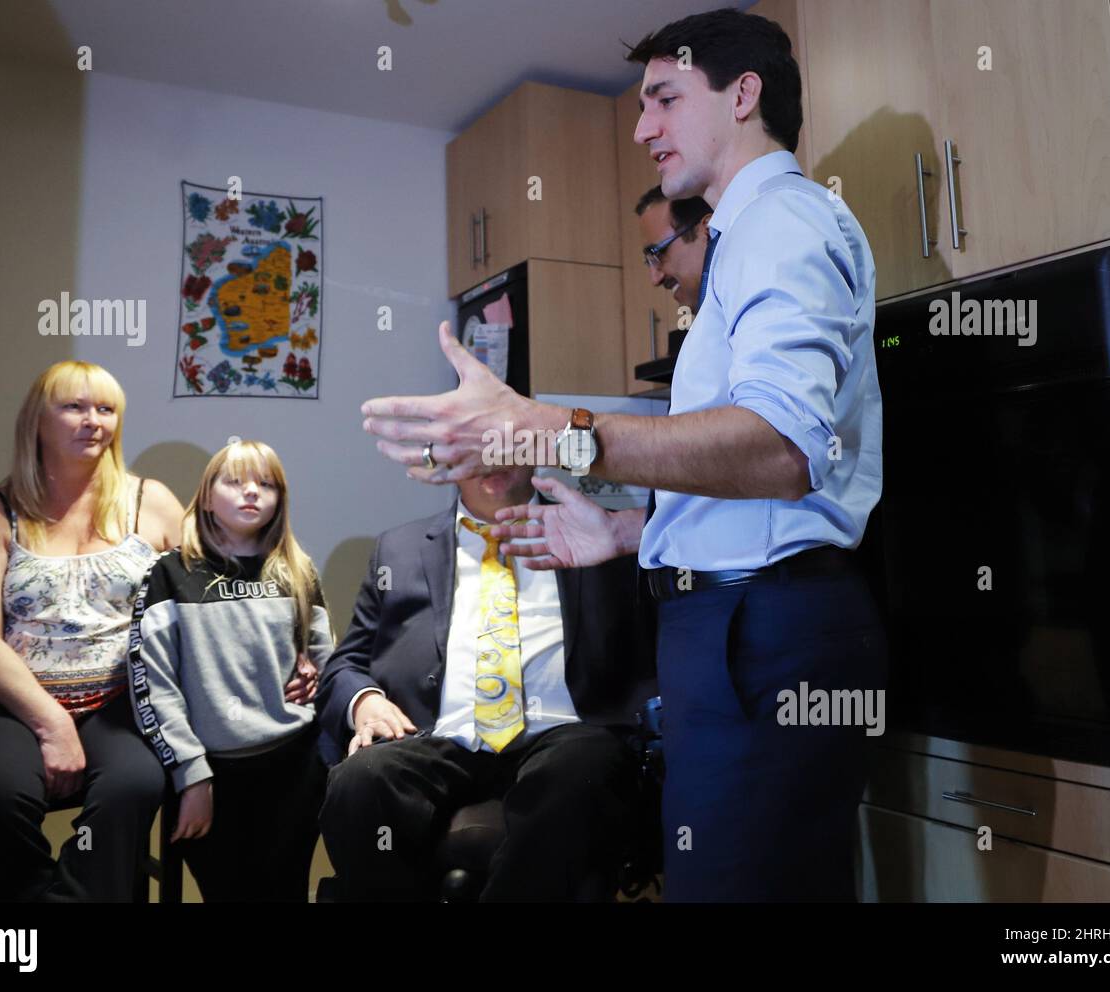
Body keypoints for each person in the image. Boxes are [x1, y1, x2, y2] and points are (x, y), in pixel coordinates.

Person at [358, 8, 887, 902]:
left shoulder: (783, 225)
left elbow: (786, 449)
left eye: (665, 99)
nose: (643, 128)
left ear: (744, 95)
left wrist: (546, 429)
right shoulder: (744, 239)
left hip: (762, 635)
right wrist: (630, 531)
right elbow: (753, 487)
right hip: (737, 629)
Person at [316, 465, 655, 901]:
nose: (488, 456)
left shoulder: (596, 533)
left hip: (561, 734)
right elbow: (346, 663)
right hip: (438, 737)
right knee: (359, 781)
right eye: (473, 445)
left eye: (503, 441)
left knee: (580, 771)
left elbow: (651, 648)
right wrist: (363, 700)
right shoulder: (397, 549)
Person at [0, 360, 185, 902]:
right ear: (38, 420)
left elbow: (204, 591)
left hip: (121, 702)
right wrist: (52, 723)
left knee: (134, 786)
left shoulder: (151, 501)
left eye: (105, 409)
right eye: (74, 407)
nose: (93, 421)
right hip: (15, 705)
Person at [127, 440, 333, 902]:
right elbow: (152, 684)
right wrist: (192, 774)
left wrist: (316, 675)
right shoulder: (169, 573)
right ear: (205, 497)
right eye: (235, 481)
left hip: (295, 767)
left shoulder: (297, 570)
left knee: (284, 891)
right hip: (212, 774)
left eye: (266, 484)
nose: (252, 493)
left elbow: (326, 661)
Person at [636, 184, 712, 314]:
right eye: (649, 261)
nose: (655, 279)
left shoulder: (754, 313)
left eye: (658, 253)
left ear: (709, 231)